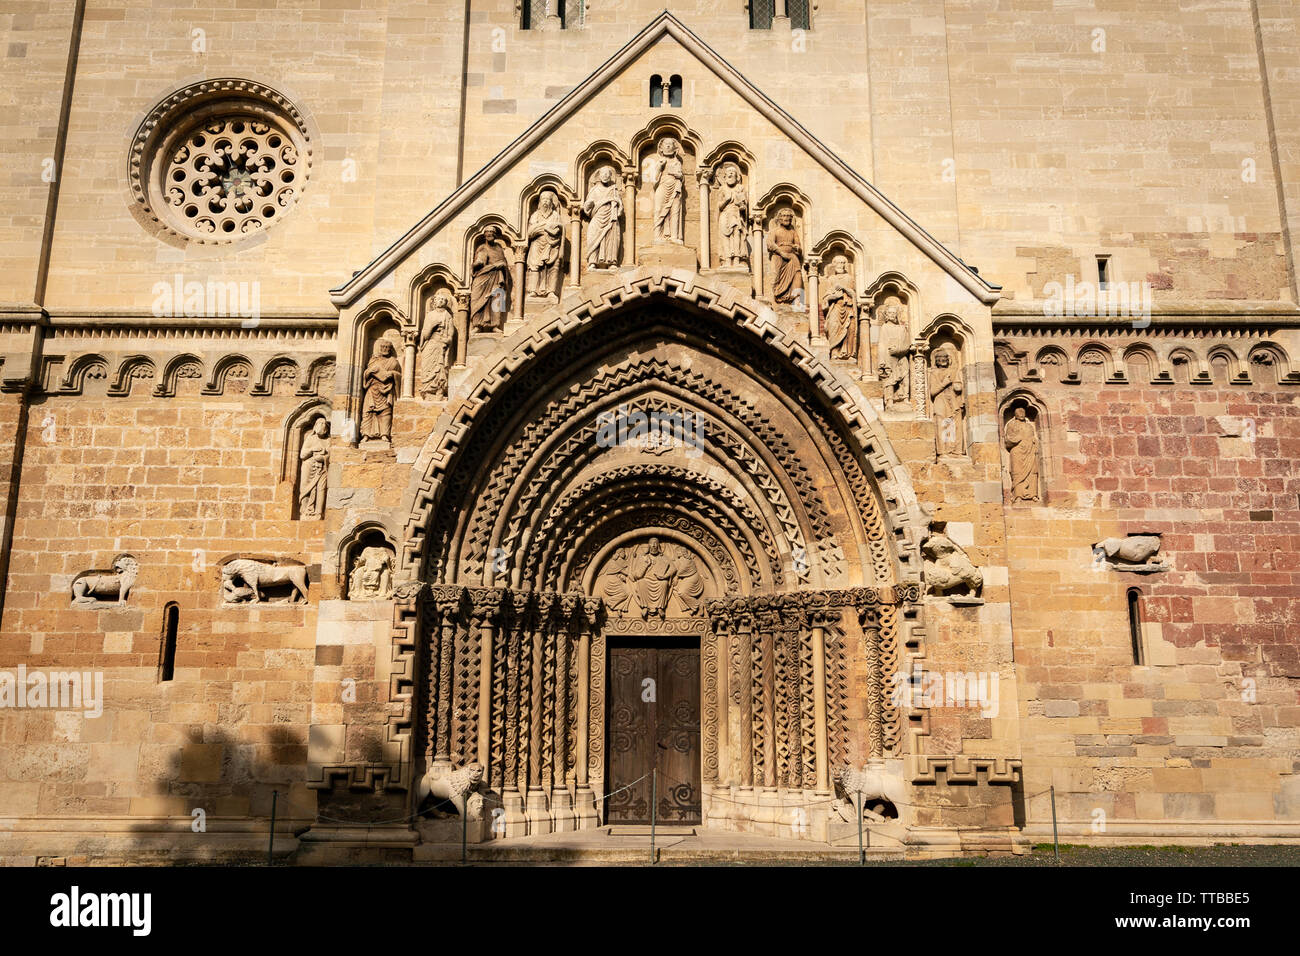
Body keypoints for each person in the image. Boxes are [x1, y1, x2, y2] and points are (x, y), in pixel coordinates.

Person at [470, 225, 510, 331]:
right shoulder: (482, 248)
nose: (489, 234)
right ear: (484, 235)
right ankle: (477, 325)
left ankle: (495, 324)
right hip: (482, 276)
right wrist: (477, 263)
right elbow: (477, 263)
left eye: (492, 232)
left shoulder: (499, 248)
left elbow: (504, 262)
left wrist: (502, 265)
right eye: (487, 232)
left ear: (495, 234)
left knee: (497, 298)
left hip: (497, 277)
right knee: (477, 299)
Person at [525, 189, 564, 298]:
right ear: (540, 202)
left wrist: (542, 228)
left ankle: (551, 291)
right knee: (535, 267)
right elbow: (531, 232)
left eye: (548, 199)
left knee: (553, 267)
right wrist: (545, 227)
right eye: (543, 199)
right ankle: (533, 291)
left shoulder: (555, 215)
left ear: (552, 203)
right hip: (537, 245)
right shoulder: (535, 215)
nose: (545, 202)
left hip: (552, 245)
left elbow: (558, 230)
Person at [361, 339, 401, 440]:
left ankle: (384, 434)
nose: (385, 349)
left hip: (386, 390)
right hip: (372, 388)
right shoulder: (374, 360)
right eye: (383, 347)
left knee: (386, 412)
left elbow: (399, 376)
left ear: (391, 349)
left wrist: (392, 374)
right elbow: (366, 373)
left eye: (388, 347)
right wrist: (369, 372)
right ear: (380, 348)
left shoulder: (393, 362)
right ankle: (366, 434)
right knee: (367, 412)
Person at [583, 166, 623, 268]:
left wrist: (618, 205)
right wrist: (589, 204)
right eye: (603, 174)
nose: (605, 176)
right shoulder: (594, 190)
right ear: (599, 176)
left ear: (610, 176)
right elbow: (586, 209)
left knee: (612, 238)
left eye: (607, 174)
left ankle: (611, 262)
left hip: (611, 217)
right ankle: (593, 261)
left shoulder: (614, 190)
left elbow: (620, 208)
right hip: (597, 217)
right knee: (593, 237)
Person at [419, 291, 454, 400]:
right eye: (439, 299)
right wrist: (432, 326)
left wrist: (447, 339)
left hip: (441, 345)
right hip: (431, 344)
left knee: (440, 369)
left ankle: (439, 391)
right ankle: (427, 391)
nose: (441, 301)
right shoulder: (430, 315)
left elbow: (451, 333)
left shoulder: (447, 316)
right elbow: (425, 334)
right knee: (427, 367)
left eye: (443, 300)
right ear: (434, 302)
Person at [821, 255, 858, 360]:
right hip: (835, 308)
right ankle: (834, 352)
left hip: (848, 308)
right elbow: (826, 298)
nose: (840, 265)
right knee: (833, 327)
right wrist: (834, 296)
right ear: (834, 265)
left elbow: (853, 294)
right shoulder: (831, 279)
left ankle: (846, 353)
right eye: (838, 263)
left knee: (849, 330)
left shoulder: (849, 278)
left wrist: (844, 288)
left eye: (842, 263)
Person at [766, 208, 804, 304]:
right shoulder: (775, 231)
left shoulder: (793, 232)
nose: (786, 218)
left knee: (798, 275)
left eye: (788, 216)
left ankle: (797, 301)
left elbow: (799, 245)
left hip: (792, 257)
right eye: (784, 216)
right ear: (779, 218)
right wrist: (781, 253)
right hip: (779, 257)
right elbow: (770, 244)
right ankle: (780, 297)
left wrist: (797, 248)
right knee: (776, 278)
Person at [1004, 405, 1041, 502]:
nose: (1021, 415)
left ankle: (1033, 494)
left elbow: (1033, 437)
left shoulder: (1029, 426)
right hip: (1017, 451)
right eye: (1019, 413)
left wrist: (1034, 441)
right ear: (1015, 415)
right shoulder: (1011, 425)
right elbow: (1007, 439)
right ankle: (1018, 495)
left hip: (1030, 451)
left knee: (1032, 472)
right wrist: (1018, 438)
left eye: (1023, 413)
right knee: (1017, 471)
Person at [716, 163, 748, 267]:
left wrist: (743, 207)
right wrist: (726, 200)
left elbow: (744, 204)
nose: (730, 174)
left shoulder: (740, 188)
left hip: (736, 214)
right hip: (725, 214)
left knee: (737, 234)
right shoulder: (722, 189)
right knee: (725, 236)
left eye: (733, 172)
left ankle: (737, 260)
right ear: (724, 177)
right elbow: (719, 206)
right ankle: (727, 259)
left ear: (737, 176)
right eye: (728, 172)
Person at [297, 417, 329, 518]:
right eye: (319, 423)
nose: (322, 425)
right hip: (308, 466)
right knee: (306, 488)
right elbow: (302, 455)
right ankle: (305, 511)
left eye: (324, 424)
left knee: (321, 488)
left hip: (322, 467)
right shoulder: (310, 438)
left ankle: (319, 512)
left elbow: (331, 454)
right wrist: (312, 449)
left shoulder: (329, 440)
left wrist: (323, 458)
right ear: (315, 426)